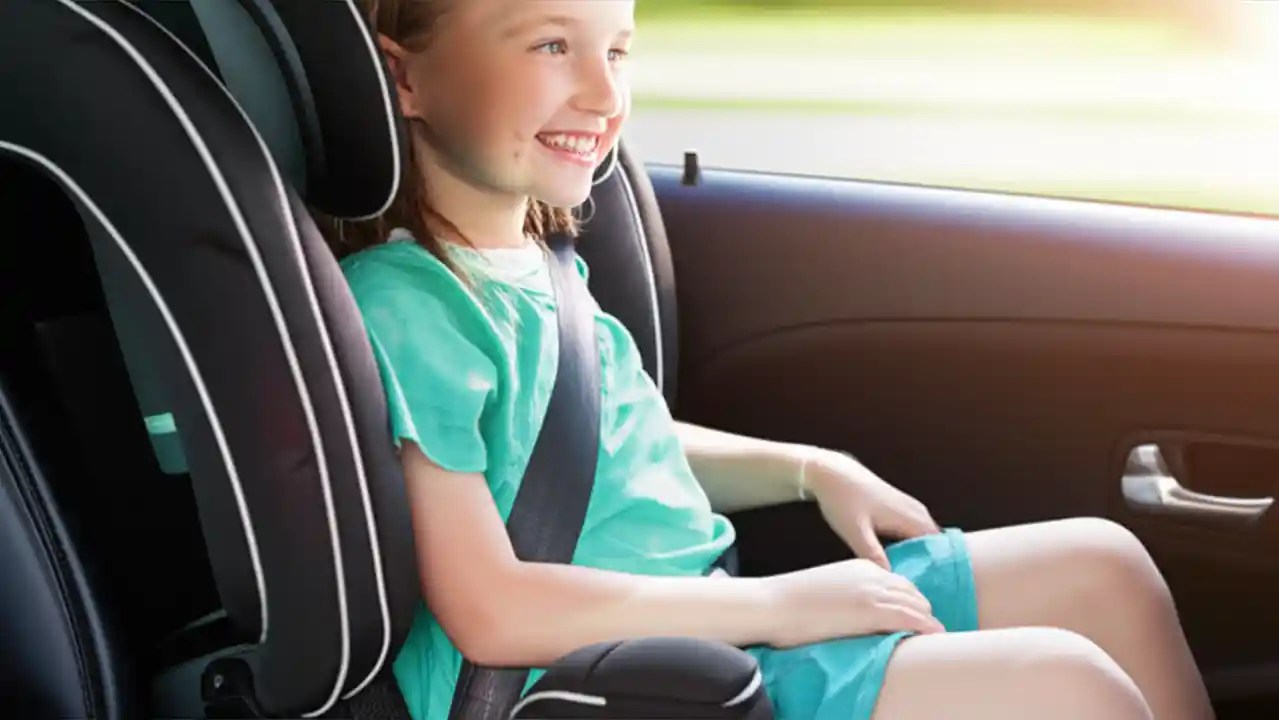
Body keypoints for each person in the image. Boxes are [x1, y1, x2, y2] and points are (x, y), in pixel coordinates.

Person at [334, 1, 1215, 718]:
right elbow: (492, 611)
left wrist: (807, 470)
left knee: (1107, 567)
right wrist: (786, 608)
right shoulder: (407, 306)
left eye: (620, 49)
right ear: (405, 75)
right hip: (599, 684)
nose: (605, 93)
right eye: (553, 44)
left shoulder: (536, 259)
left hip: (699, 616)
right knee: (1066, 687)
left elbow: (611, 442)